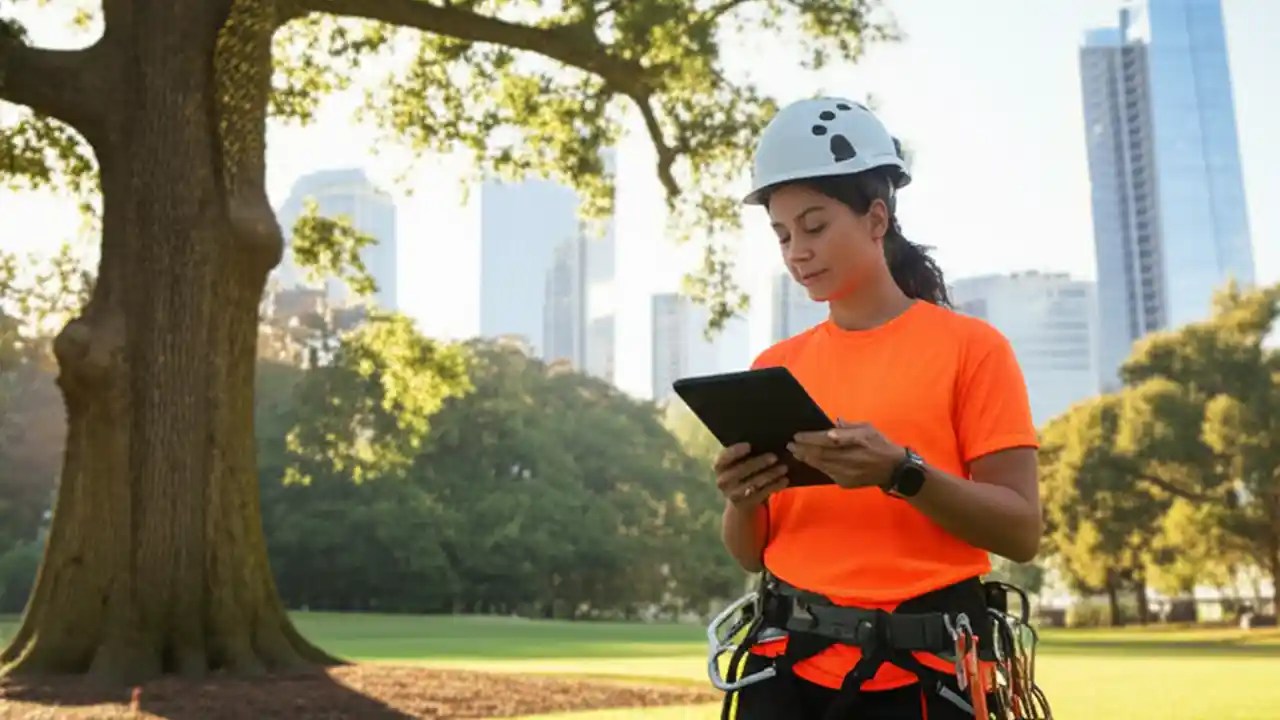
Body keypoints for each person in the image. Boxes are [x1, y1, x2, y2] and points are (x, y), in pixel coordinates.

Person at [711, 96, 1043, 720]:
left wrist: (901, 473)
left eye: (814, 226)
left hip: (924, 684)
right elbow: (753, 555)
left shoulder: (972, 349)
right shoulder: (772, 369)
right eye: (782, 235)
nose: (796, 251)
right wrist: (742, 498)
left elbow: (1020, 530)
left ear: (876, 217)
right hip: (784, 675)